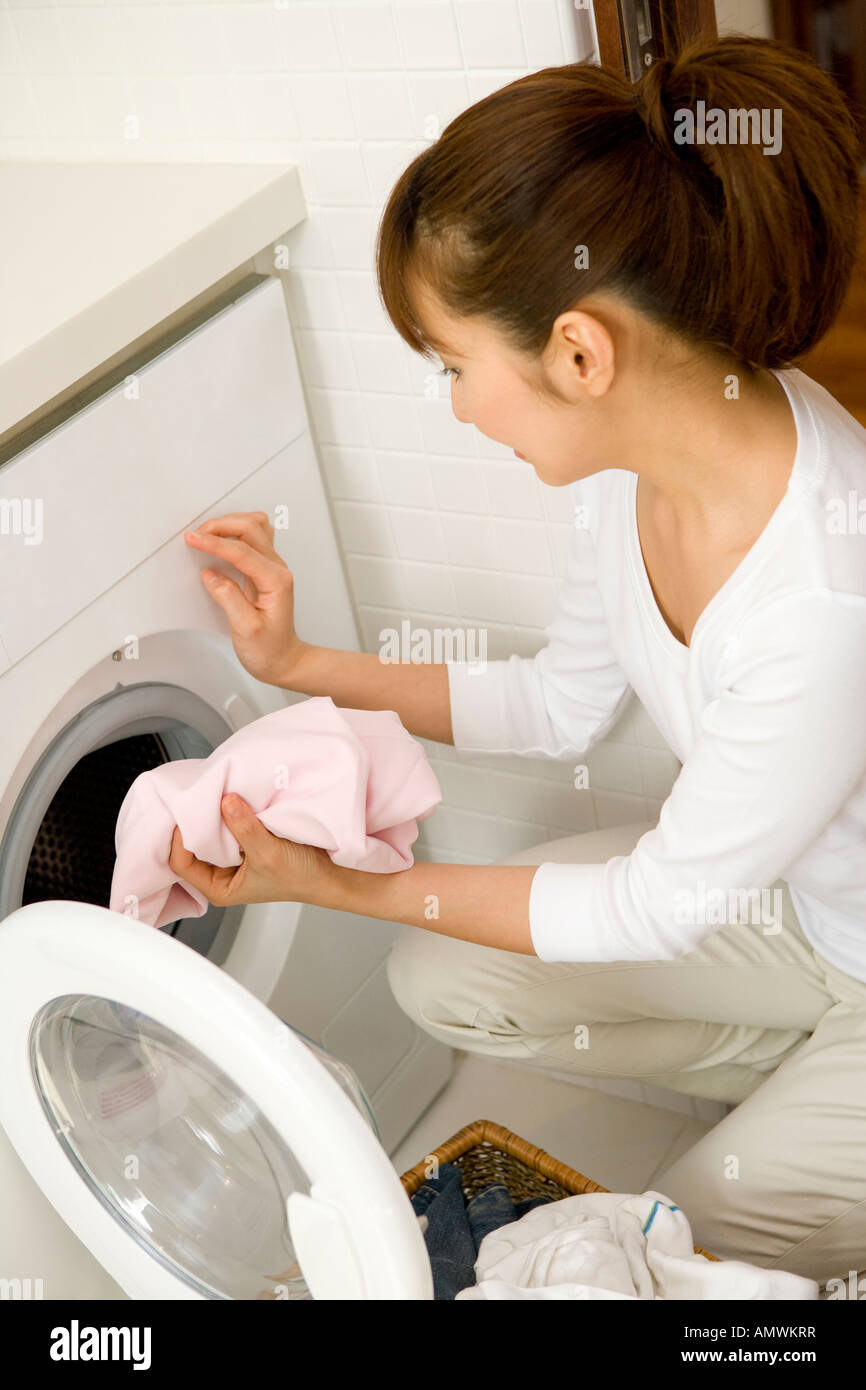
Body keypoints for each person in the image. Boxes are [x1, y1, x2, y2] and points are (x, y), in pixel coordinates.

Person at [170, 37, 866, 1289]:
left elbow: (653, 906)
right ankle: (798, 1074)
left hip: (819, 937)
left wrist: (337, 884)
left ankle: (813, 1109)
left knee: (667, 1252)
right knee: (441, 977)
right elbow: (557, 703)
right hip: (796, 921)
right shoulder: (648, 458)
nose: (450, 404)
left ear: (577, 353)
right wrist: (300, 659)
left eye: (450, 365)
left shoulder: (819, 596)